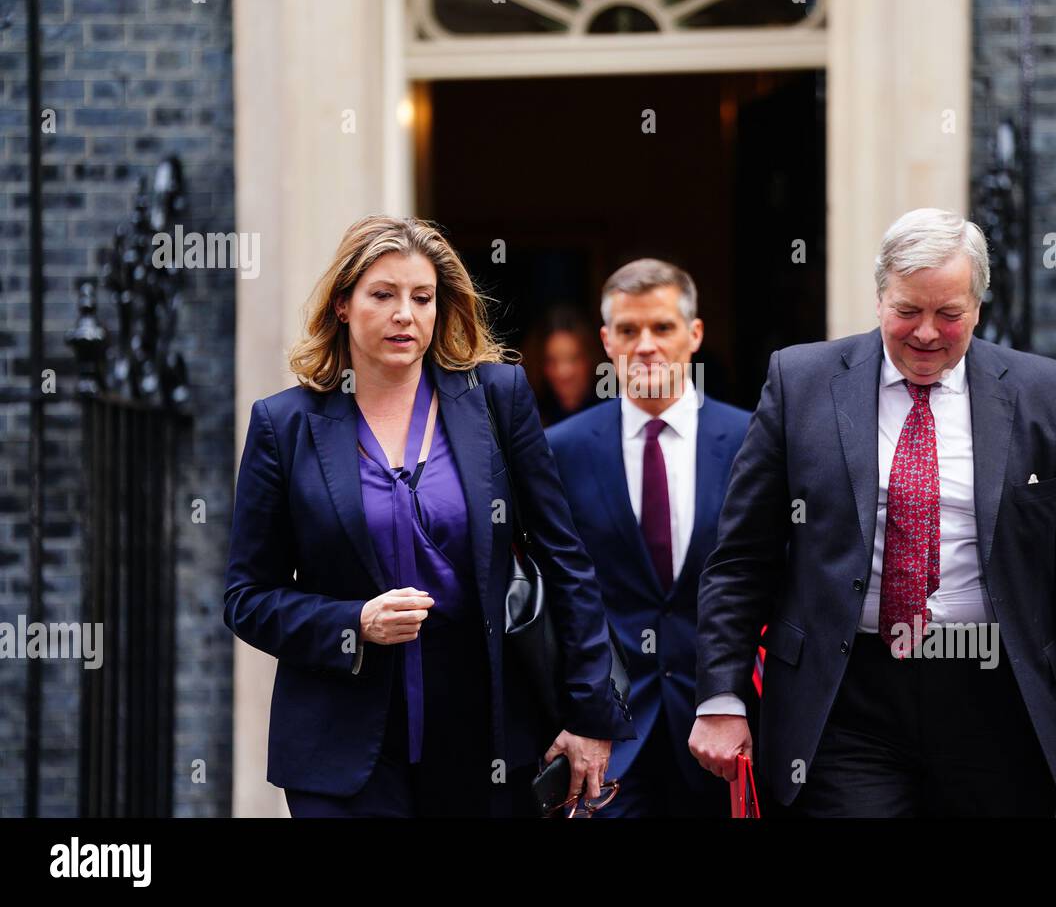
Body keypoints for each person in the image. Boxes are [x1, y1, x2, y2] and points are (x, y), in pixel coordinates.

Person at [689, 208, 1056, 818]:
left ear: (978, 307)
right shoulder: (799, 382)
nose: (926, 332)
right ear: (879, 298)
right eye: (907, 311)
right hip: (847, 697)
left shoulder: (1045, 395)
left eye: (949, 314)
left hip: (997, 695)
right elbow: (742, 557)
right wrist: (722, 695)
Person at [224, 215, 634, 817]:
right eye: (383, 295)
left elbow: (564, 559)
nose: (405, 315)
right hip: (342, 747)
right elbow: (247, 597)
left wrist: (591, 714)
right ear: (342, 304)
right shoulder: (282, 426)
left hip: (486, 732)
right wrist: (353, 622)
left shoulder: (498, 398)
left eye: (422, 298)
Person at [547, 259, 752, 816]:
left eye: (662, 328)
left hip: (722, 729)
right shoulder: (560, 450)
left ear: (695, 334)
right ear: (607, 340)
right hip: (607, 738)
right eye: (630, 330)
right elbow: (556, 592)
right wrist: (573, 714)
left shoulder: (752, 440)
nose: (646, 346)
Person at [523, 305, 601, 427]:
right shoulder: (529, 422)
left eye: (573, 359)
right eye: (552, 361)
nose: (564, 372)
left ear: (590, 360)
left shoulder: (614, 415)